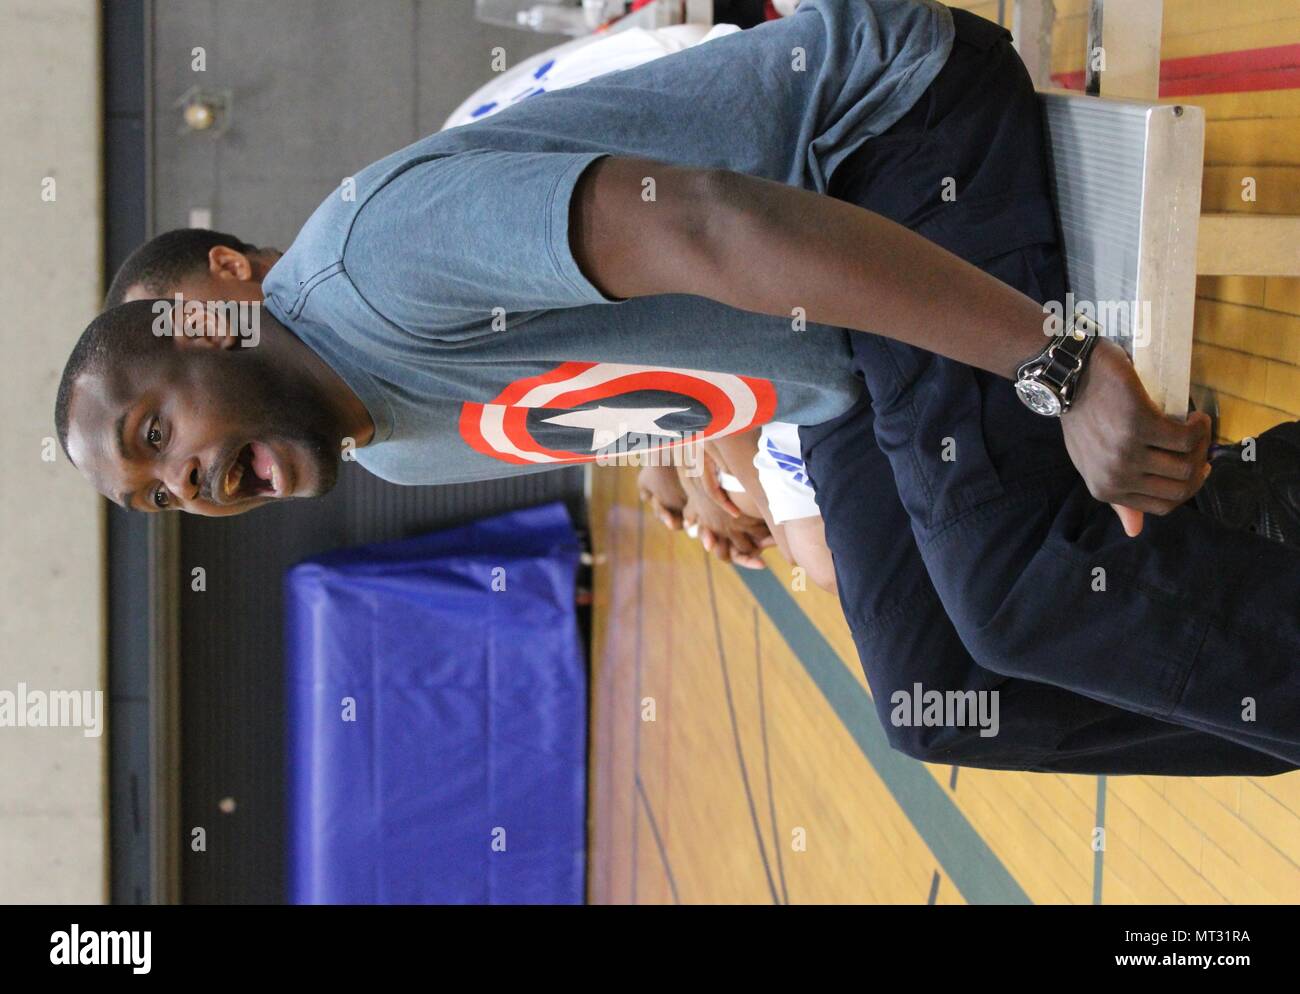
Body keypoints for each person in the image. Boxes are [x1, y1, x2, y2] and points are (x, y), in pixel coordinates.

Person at [56, 1, 1300, 773]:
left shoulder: (371, 262)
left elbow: (707, 224)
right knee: (945, 702)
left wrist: (1055, 360)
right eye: (159, 498)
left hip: (884, 142)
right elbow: (662, 358)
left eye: (158, 430)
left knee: (1017, 593)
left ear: (217, 313)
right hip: (842, 366)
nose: (187, 481)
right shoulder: (395, 447)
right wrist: (696, 456)